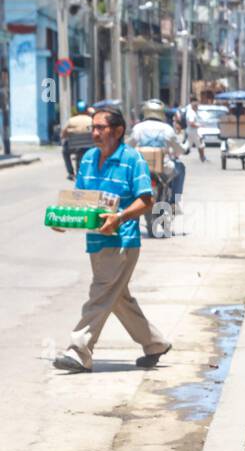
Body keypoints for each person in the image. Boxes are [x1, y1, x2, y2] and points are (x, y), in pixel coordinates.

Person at [52, 105, 171, 373]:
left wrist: (119, 217)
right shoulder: (87, 159)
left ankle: (79, 349)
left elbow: (146, 200)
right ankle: (155, 343)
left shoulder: (132, 160)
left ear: (117, 131)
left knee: (100, 294)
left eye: (100, 128)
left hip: (122, 241)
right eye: (93, 128)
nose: (94, 132)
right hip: (96, 241)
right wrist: (63, 219)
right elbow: (80, 199)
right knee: (117, 298)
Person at [129, 99, 186, 210]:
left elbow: (129, 146)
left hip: (141, 167)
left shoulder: (138, 128)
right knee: (181, 168)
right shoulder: (167, 129)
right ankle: (175, 201)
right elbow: (179, 149)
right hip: (164, 167)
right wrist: (182, 150)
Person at [60, 102, 93, 180]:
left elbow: (63, 134)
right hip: (89, 147)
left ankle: (71, 173)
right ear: (86, 110)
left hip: (74, 146)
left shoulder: (71, 120)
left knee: (65, 152)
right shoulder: (91, 120)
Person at [183, 96, 207, 162]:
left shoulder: (191, 112)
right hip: (193, 131)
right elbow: (191, 123)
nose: (198, 107)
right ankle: (202, 158)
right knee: (201, 145)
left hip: (191, 131)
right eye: (197, 106)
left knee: (187, 145)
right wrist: (200, 125)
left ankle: (177, 154)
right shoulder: (191, 113)